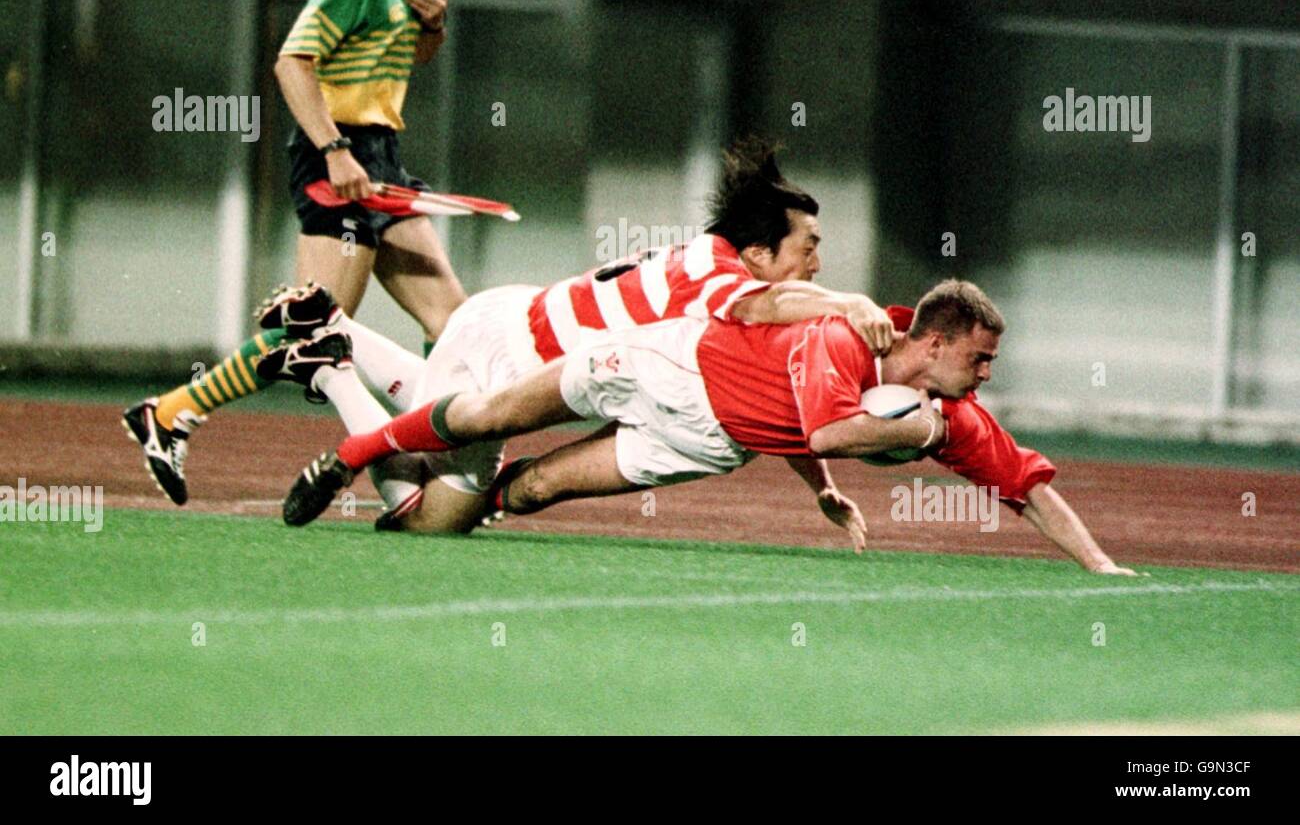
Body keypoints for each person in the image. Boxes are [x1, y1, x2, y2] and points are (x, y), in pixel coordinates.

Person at [267, 139, 895, 544]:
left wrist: (820, 485)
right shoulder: (720, 274)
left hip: (506, 325)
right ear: (759, 253)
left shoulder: (723, 271)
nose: (817, 264)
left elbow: (772, 389)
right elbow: (778, 302)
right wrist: (852, 301)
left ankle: (340, 334)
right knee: (431, 518)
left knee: (435, 433)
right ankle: (335, 369)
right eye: (809, 247)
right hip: (510, 360)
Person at [289, 279, 1140, 575]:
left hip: (703, 439)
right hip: (666, 363)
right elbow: (826, 429)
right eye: (980, 360)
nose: (986, 377)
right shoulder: (845, 335)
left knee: (532, 487)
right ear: (938, 341)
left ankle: (337, 365)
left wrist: (1101, 564)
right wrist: (901, 439)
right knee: (484, 413)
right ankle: (353, 443)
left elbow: (1025, 481)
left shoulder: (946, 414)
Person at [122, 0, 470, 504]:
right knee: (312, 333)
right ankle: (168, 415)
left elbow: (406, 58)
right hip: (335, 155)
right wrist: (336, 150)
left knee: (452, 325)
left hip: (382, 159)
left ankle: (425, 462)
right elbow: (292, 64)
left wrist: (436, 28)